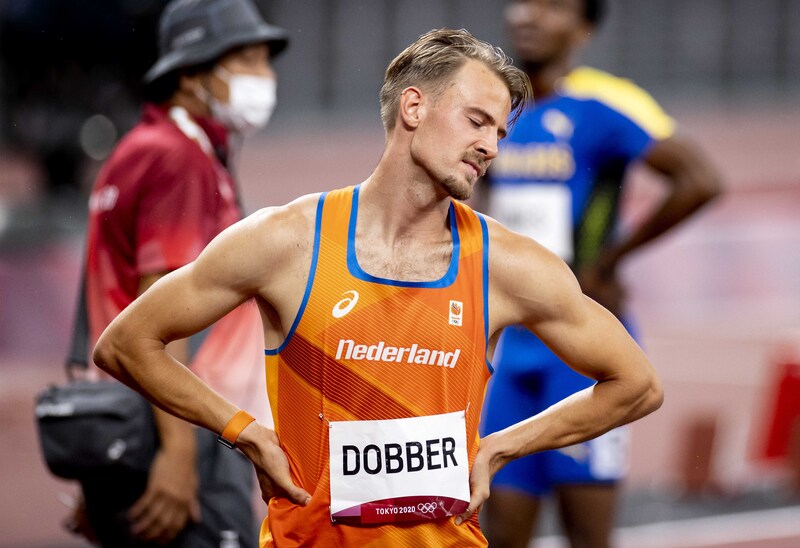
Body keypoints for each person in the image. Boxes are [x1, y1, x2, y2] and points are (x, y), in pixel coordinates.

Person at [93, 28, 663, 547]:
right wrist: (243, 433)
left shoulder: (508, 266)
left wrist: (499, 447)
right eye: (476, 121)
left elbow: (637, 384)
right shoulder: (287, 242)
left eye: (499, 132)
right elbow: (125, 343)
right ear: (414, 107)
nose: (492, 147)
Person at [477, 1, 722, 547]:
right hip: (512, 347)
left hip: (582, 349)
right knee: (500, 533)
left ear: (583, 29)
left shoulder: (605, 103)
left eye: (553, 6)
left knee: (586, 535)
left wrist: (610, 261)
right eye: (523, 1)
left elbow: (700, 180)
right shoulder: (495, 107)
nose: (528, 15)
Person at [71, 0, 289, 546]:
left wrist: (96, 458)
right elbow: (158, 315)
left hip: (130, 424)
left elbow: (98, 301)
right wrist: (178, 458)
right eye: (247, 60)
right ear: (191, 74)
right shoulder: (179, 159)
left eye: (265, 60)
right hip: (189, 424)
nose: (264, 76)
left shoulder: (138, 149)